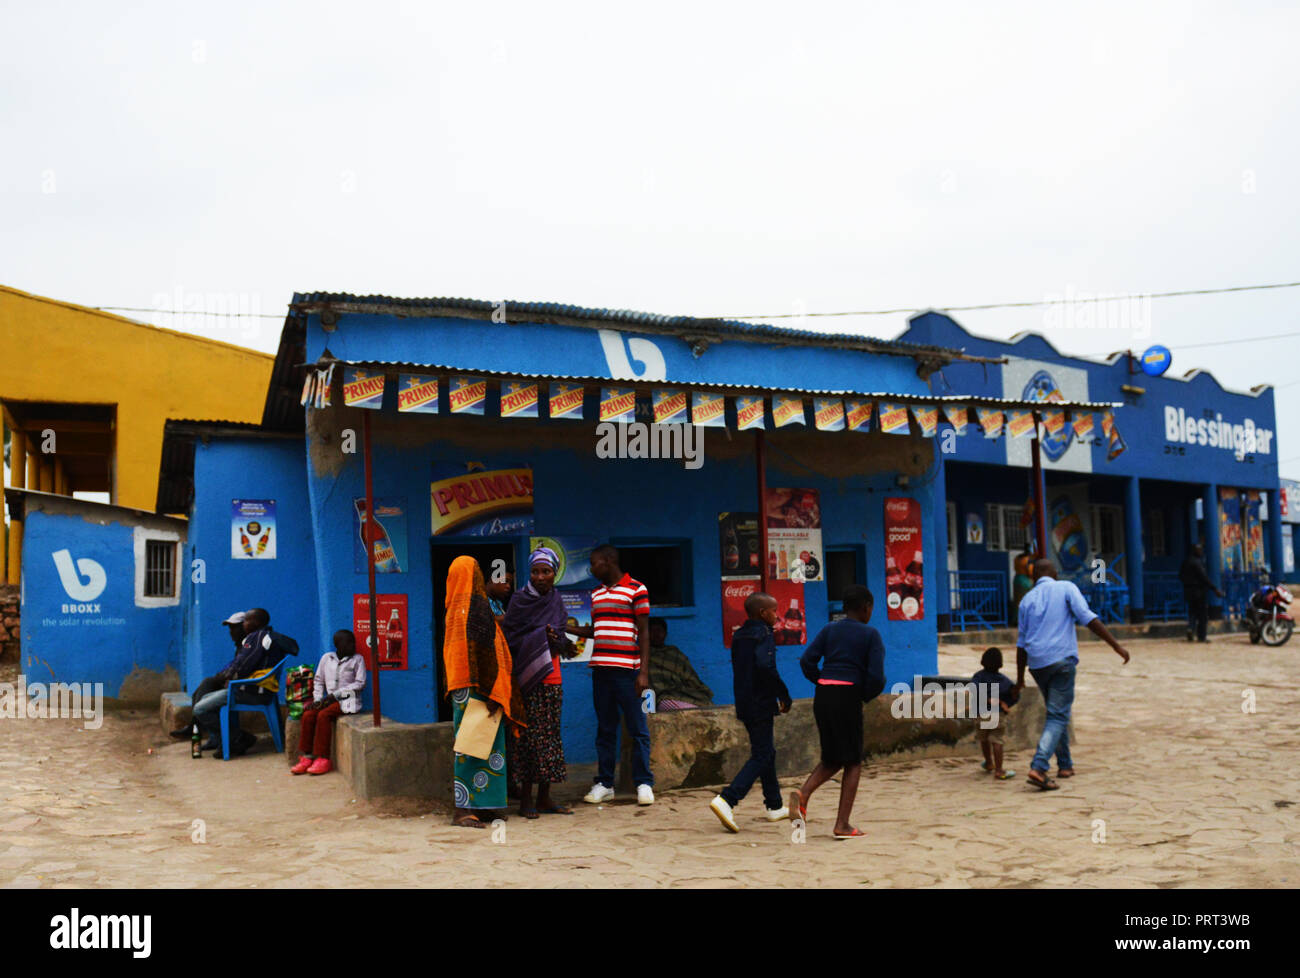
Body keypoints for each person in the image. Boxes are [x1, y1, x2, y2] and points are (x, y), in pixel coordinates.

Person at [1015, 558, 1131, 790]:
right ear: (1054, 573)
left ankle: (1065, 764)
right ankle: (1038, 767)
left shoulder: (1026, 600)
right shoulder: (1066, 588)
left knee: (1057, 713)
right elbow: (1089, 618)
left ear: (1035, 576)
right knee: (1058, 716)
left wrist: (1019, 678)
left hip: (1037, 665)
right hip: (1061, 661)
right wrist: (1116, 646)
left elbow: (1021, 644)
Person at [789, 585, 885, 839]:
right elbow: (876, 676)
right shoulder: (871, 635)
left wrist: (822, 680)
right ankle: (842, 824)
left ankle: (803, 794)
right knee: (853, 761)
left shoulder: (829, 629)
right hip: (848, 695)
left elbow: (807, 660)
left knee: (833, 757)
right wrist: (863, 694)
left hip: (824, 694)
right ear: (866, 608)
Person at [566, 544, 655, 805]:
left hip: (628, 672)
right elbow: (599, 629)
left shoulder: (637, 589)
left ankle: (644, 783)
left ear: (607, 561)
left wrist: (643, 673)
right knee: (605, 729)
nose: (591, 569)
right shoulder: (595, 594)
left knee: (638, 728)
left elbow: (645, 632)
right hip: (601, 672)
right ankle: (605, 784)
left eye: (594, 563)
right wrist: (568, 629)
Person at [442, 555, 525, 828]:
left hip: (470, 687)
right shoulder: (471, 611)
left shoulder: (457, 610)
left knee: (488, 747)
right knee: (471, 747)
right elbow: (480, 653)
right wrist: (491, 690)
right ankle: (464, 810)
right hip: (477, 688)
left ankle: (488, 806)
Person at [500, 547, 579, 818]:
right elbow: (510, 637)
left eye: (546, 571)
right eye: (535, 571)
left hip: (552, 677)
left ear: (555, 574)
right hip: (527, 679)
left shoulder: (556, 601)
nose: (540, 576)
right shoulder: (519, 601)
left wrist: (559, 641)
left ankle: (545, 798)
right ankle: (525, 801)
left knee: (550, 739)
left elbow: (559, 635)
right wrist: (539, 636)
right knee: (529, 740)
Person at [709, 592, 791, 832]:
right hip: (762, 701)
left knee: (766, 751)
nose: (777, 615)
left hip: (744, 701)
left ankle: (774, 805)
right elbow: (766, 667)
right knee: (762, 754)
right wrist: (783, 694)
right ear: (763, 613)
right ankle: (728, 799)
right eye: (774, 611)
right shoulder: (764, 634)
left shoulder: (740, 635)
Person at [191, 608, 299, 757]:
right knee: (204, 699)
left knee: (200, 709)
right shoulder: (269, 637)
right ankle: (231, 740)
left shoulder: (254, 638)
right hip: (259, 690)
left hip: (249, 692)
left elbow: (242, 666)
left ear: (255, 622)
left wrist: (228, 677)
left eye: (247, 620)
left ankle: (238, 738)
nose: (244, 624)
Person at [291, 629, 367, 776]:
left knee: (323, 716)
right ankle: (307, 756)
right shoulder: (327, 658)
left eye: (353, 642)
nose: (353, 646)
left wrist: (334, 696)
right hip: (327, 700)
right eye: (348, 643)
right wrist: (318, 700)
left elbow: (360, 684)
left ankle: (323, 758)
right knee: (308, 715)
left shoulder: (357, 660)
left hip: (348, 701)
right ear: (338, 645)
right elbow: (318, 681)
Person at [169, 611, 250, 739]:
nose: (231, 632)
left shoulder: (248, 645)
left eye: (234, 628)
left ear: (244, 627)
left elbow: (238, 669)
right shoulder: (241, 646)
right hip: (234, 684)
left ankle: (204, 731)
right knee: (201, 691)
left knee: (207, 688)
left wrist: (223, 677)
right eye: (230, 628)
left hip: (241, 688)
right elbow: (232, 667)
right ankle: (203, 731)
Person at [971, 647, 1017, 781]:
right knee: (997, 741)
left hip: (981, 714)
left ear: (982, 662)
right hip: (997, 715)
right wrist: (1006, 704)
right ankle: (999, 770)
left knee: (984, 739)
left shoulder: (978, 676)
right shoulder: (1004, 681)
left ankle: (989, 762)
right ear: (1000, 664)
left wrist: (985, 699)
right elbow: (1015, 694)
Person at [647, 618, 713, 711]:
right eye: (652, 631)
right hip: (663, 698)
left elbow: (692, 680)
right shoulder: (643, 656)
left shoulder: (675, 654)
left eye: (659, 631)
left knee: (709, 710)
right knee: (687, 713)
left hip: (683, 694)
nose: (656, 635)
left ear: (665, 633)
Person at [1179, 543, 1222, 643]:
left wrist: (1187, 583)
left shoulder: (1186, 562)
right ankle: (1201, 637)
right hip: (1199, 592)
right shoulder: (1197, 563)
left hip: (1189, 591)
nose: (1201, 552)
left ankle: (1190, 628)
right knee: (1202, 615)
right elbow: (1204, 578)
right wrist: (1214, 589)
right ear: (1195, 551)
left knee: (1192, 612)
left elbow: (1180, 576)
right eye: (1200, 550)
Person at [1011, 552, 1034, 625]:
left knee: (1017, 602)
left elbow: (1015, 568)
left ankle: (1016, 620)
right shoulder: (1027, 560)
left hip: (1017, 580)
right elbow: (1030, 571)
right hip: (1026, 582)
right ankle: (1024, 621)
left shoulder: (1017, 558)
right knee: (1027, 602)